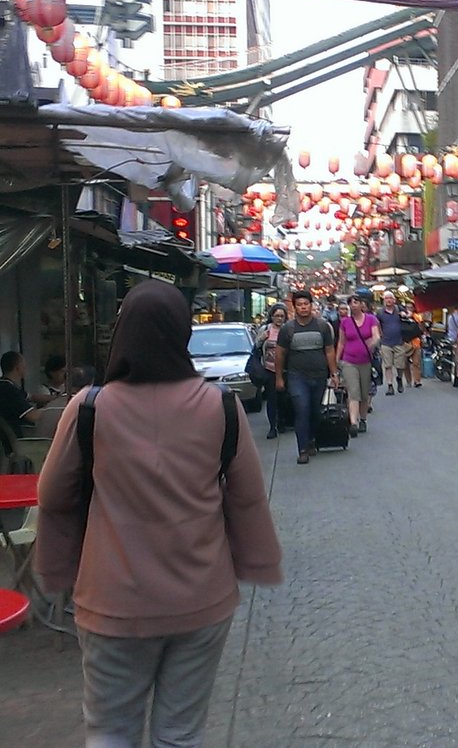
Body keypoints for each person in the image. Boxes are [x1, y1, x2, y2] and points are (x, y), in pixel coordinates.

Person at [35, 279, 282, 748]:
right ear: (182, 334)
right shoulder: (221, 406)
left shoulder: (88, 408)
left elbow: (52, 497)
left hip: (111, 600)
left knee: (110, 731)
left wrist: (57, 567)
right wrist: (258, 563)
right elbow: (247, 497)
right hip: (202, 598)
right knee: (179, 734)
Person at [275, 290, 339, 465]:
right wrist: (279, 377)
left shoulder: (322, 326)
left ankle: (311, 439)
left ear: (311, 305)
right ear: (294, 308)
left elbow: (329, 350)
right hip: (297, 377)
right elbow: (280, 354)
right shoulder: (288, 329)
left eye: (306, 304)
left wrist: (334, 373)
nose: (303, 307)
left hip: (318, 376)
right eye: (299, 305)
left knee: (315, 411)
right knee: (301, 409)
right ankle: (302, 448)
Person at [336, 293, 381, 436]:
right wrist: (337, 360)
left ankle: (363, 419)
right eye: (351, 302)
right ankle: (353, 422)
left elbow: (377, 336)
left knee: (363, 393)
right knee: (353, 391)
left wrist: (372, 343)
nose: (353, 305)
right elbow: (341, 342)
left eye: (356, 302)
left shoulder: (371, 319)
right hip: (349, 360)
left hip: (365, 361)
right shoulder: (345, 322)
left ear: (362, 304)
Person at [258, 303, 289, 440]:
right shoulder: (265, 329)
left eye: (282, 316)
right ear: (272, 317)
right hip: (269, 369)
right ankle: (272, 426)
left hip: (286, 369)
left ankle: (282, 421)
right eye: (277, 316)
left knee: (283, 398)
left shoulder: (288, 329)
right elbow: (257, 346)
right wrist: (262, 338)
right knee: (271, 399)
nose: (279, 319)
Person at [0, 350, 44, 434]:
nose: (26, 369)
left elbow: (31, 397)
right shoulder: (9, 390)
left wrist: (55, 398)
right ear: (17, 368)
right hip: (13, 440)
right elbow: (33, 416)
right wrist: (52, 409)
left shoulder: (7, 385)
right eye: (24, 366)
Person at [377, 290, 405, 396]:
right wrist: (380, 335)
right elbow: (377, 324)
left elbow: (410, 314)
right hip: (386, 342)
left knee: (400, 365)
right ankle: (390, 386)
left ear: (394, 300)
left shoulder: (399, 309)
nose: (388, 300)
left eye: (390, 298)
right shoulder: (380, 312)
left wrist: (405, 314)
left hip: (399, 341)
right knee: (388, 365)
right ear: (384, 301)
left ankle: (399, 378)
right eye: (386, 298)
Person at [398, 305, 425, 389]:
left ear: (414, 308)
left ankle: (417, 381)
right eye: (407, 307)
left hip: (416, 343)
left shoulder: (417, 317)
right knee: (405, 363)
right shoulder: (400, 317)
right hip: (404, 343)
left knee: (416, 363)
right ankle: (408, 381)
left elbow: (421, 328)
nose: (409, 309)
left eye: (411, 307)